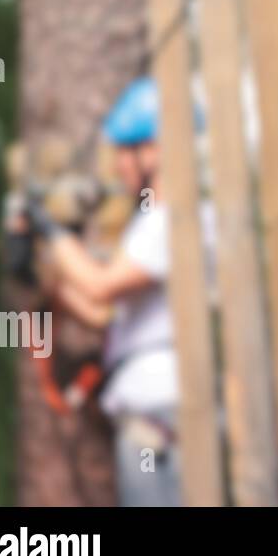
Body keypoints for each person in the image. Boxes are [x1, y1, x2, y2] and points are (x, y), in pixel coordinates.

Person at [24, 77, 182, 507]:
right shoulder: (153, 225)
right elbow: (101, 313)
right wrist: (51, 286)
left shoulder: (170, 221)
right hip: (153, 418)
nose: (120, 169)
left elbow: (100, 286)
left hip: (159, 418)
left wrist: (49, 231)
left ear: (153, 151)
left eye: (126, 154)